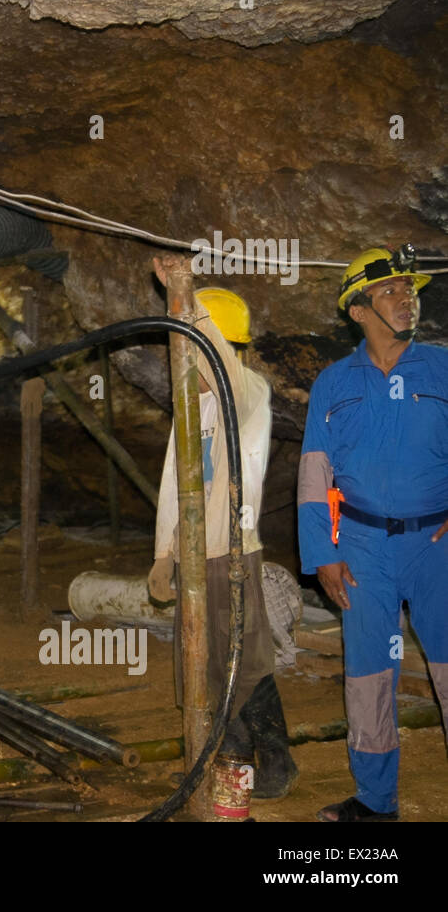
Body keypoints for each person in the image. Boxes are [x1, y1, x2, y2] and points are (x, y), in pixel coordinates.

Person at [298, 245, 448, 822]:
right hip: (361, 545)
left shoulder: (441, 367)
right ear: (358, 310)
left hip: (435, 545)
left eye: (408, 290)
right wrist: (321, 554)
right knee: (367, 674)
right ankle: (376, 801)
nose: (405, 299)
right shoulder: (334, 384)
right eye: (389, 292)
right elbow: (315, 475)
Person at [148, 262, 296, 799]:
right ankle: (227, 758)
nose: (184, 358)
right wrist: (164, 554)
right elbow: (172, 482)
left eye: (194, 346)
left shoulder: (249, 391)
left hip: (234, 553)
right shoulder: (192, 407)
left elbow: (226, 370)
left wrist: (186, 303)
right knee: (201, 662)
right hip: (192, 555)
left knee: (246, 659)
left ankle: (277, 762)